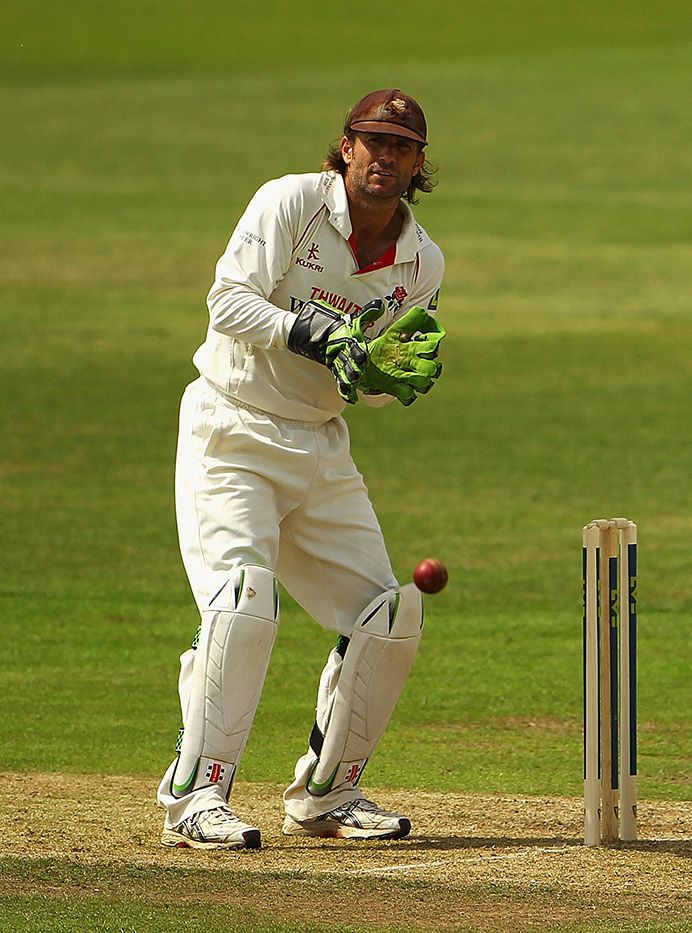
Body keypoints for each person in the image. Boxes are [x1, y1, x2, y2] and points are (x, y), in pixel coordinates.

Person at [157, 89, 447, 850]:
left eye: (401, 147)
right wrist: (311, 330)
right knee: (244, 599)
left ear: (419, 163)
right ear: (346, 148)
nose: (384, 157)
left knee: (390, 614)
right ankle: (198, 796)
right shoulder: (290, 203)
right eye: (370, 142)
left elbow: (370, 383)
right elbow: (227, 302)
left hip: (320, 443)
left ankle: (329, 791)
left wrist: (383, 376)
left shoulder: (422, 261)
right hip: (233, 428)